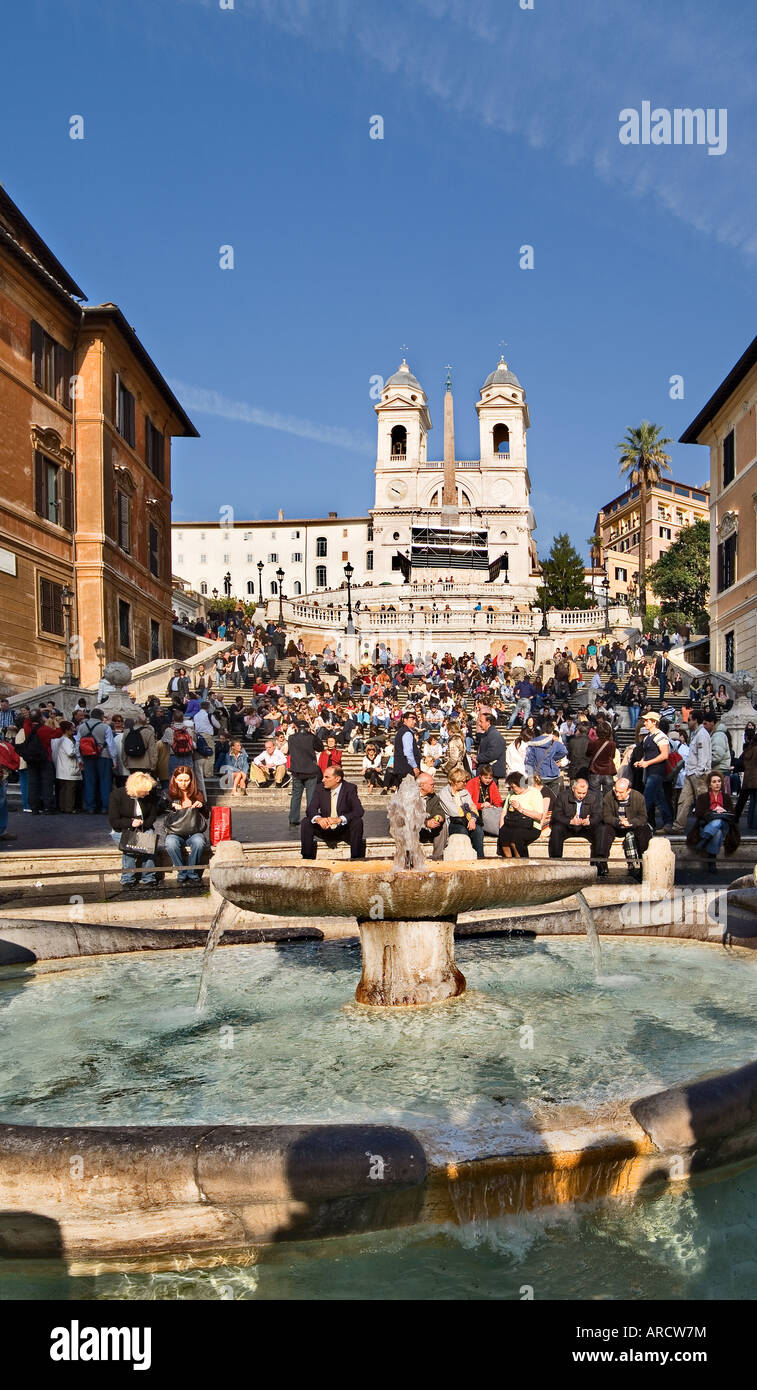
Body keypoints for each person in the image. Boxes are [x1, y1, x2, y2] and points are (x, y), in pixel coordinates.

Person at [108, 770, 161, 888]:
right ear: (136, 788)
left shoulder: (149, 795)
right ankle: (127, 878)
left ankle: (148, 877)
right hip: (122, 828)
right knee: (130, 845)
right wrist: (131, 823)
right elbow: (114, 821)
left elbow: (152, 815)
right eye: (145, 791)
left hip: (144, 826)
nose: (148, 793)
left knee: (149, 842)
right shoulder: (117, 795)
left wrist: (143, 824)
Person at [301, 765, 365, 859]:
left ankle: (356, 858)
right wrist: (318, 819)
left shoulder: (350, 788)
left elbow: (359, 811)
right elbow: (311, 809)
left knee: (357, 822)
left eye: (327, 777)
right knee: (306, 821)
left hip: (343, 829)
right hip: (325, 827)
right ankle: (307, 858)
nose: (323, 780)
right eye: (323, 777)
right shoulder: (320, 788)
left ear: (337, 779)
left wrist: (339, 819)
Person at [595, 775, 651, 879]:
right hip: (616, 825)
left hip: (632, 824)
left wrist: (630, 822)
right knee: (604, 830)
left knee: (644, 831)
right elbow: (606, 816)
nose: (617, 794)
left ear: (628, 791)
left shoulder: (638, 797)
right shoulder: (609, 796)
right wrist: (618, 822)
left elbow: (643, 817)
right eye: (616, 791)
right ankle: (602, 863)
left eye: (621, 792)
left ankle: (644, 865)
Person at [686, 771, 741, 873]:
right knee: (717, 832)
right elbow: (698, 813)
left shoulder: (726, 797)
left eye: (719, 781)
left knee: (719, 820)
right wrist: (713, 811)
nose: (717, 784)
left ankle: (704, 841)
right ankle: (712, 860)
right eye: (714, 782)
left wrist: (724, 811)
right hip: (706, 825)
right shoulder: (703, 797)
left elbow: (733, 815)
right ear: (709, 785)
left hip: (724, 826)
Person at [548, 774, 604, 873]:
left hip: (585, 827)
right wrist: (570, 821)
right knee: (557, 828)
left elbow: (598, 815)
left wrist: (589, 821)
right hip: (568, 826)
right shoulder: (563, 796)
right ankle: (556, 861)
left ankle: (599, 862)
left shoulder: (593, 797)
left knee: (601, 829)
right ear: (573, 789)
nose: (581, 796)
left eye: (584, 793)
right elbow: (557, 815)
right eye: (579, 793)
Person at [164, 768, 210, 884]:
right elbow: (159, 810)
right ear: (175, 779)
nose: (183, 783)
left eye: (186, 780)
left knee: (199, 842)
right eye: (180, 780)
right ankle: (182, 871)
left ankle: (192, 871)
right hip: (175, 831)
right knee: (170, 843)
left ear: (191, 780)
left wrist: (202, 806)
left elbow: (206, 814)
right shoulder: (168, 794)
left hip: (193, 830)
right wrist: (171, 805)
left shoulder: (197, 793)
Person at [670, 708, 711, 834]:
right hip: (691, 772)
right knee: (684, 800)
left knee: (702, 801)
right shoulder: (696, 734)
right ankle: (678, 826)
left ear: (696, 720)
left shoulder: (702, 734)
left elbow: (703, 755)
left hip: (698, 774)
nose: (687, 722)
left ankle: (706, 826)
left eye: (689, 720)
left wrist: (699, 772)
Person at [438, 766, 484, 858]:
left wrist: (472, 819)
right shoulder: (444, 793)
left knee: (478, 831)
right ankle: (464, 858)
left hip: (467, 820)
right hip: (453, 822)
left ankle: (480, 858)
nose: (465, 783)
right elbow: (454, 812)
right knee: (462, 832)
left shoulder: (465, 792)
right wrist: (468, 809)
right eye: (463, 781)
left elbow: (473, 809)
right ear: (455, 781)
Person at [638, 711, 671, 832]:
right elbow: (647, 754)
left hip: (656, 771)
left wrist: (647, 763)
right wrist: (642, 761)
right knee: (659, 798)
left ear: (654, 722)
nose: (645, 722)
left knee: (647, 798)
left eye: (647, 721)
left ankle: (639, 822)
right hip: (650, 771)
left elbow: (665, 755)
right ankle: (668, 822)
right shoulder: (648, 737)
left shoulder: (660, 736)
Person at [497, 772, 544, 858]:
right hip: (512, 823)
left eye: (513, 786)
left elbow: (539, 816)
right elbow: (504, 812)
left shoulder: (534, 793)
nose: (512, 789)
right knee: (503, 835)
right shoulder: (511, 794)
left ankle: (520, 861)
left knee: (516, 838)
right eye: (510, 786)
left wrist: (521, 809)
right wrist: (501, 827)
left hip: (531, 826)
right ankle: (508, 861)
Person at [288, 721, 323, 826]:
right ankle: (311, 817)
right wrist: (313, 734)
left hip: (296, 770)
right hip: (310, 770)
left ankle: (293, 818)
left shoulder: (291, 738)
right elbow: (320, 748)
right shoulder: (311, 737)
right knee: (311, 797)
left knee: (296, 796)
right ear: (308, 728)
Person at [51, 720, 81, 813]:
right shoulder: (66, 741)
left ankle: (62, 807)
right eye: (72, 730)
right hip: (68, 767)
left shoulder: (57, 740)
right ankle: (69, 808)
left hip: (61, 768)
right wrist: (77, 748)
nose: (73, 732)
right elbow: (70, 752)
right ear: (67, 730)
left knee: (63, 789)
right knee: (70, 789)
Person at [417, 771, 448, 859]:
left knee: (443, 826)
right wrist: (425, 823)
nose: (434, 786)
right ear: (422, 785)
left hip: (427, 829)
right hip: (412, 829)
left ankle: (437, 856)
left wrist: (438, 818)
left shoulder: (433, 796)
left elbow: (439, 812)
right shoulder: (409, 796)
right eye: (432, 784)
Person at [586, 720, 617, 800]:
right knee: (608, 797)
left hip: (595, 771)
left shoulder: (593, 743)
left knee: (594, 796)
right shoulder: (612, 744)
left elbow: (588, 754)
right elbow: (612, 756)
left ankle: (596, 811)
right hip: (608, 771)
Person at [475, 711, 508, 781]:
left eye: (481, 721)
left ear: (488, 722)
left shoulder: (495, 735)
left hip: (491, 773)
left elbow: (492, 754)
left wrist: (478, 758)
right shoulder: (488, 734)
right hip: (486, 772)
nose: (479, 724)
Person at [393, 708, 422, 780]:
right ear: (405, 720)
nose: (414, 721)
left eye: (415, 719)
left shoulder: (401, 731)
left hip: (401, 768)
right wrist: (414, 767)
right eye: (412, 719)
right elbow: (408, 752)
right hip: (407, 769)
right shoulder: (407, 733)